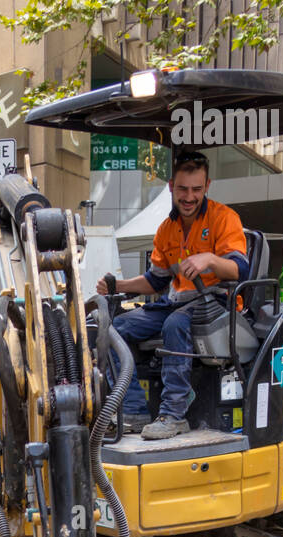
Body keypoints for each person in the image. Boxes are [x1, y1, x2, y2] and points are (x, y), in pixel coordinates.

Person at [96, 149, 248, 441]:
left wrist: (210, 260)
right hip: (177, 301)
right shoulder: (166, 229)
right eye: (183, 189)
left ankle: (174, 415)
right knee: (113, 329)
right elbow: (156, 281)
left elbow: (240, 268)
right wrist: (118, 285)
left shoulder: (223, 219)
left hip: (215, 303)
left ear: (207, 186)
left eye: (196, 189)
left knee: (175, 324)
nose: (189, 197)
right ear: (171, 187)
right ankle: (134, 411)